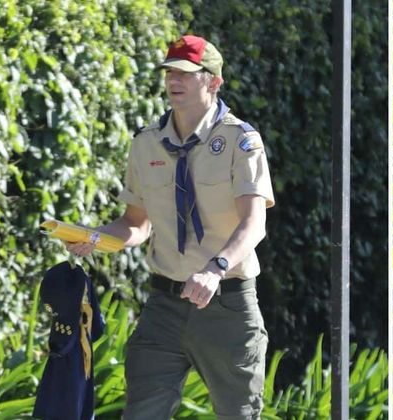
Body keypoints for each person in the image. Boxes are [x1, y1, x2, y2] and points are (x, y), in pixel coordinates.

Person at [67, 34, 274, 419]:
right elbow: (136, 224)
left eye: (185, 73)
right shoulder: (146, 144)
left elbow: (254, 222)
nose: (173, 81)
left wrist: (216, 269)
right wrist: (95, 238)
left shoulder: (240, 141)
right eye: (169, 72)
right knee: (141, 413)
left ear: (213, 81)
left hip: (227, 305)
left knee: (240, 415)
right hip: (164, 306)